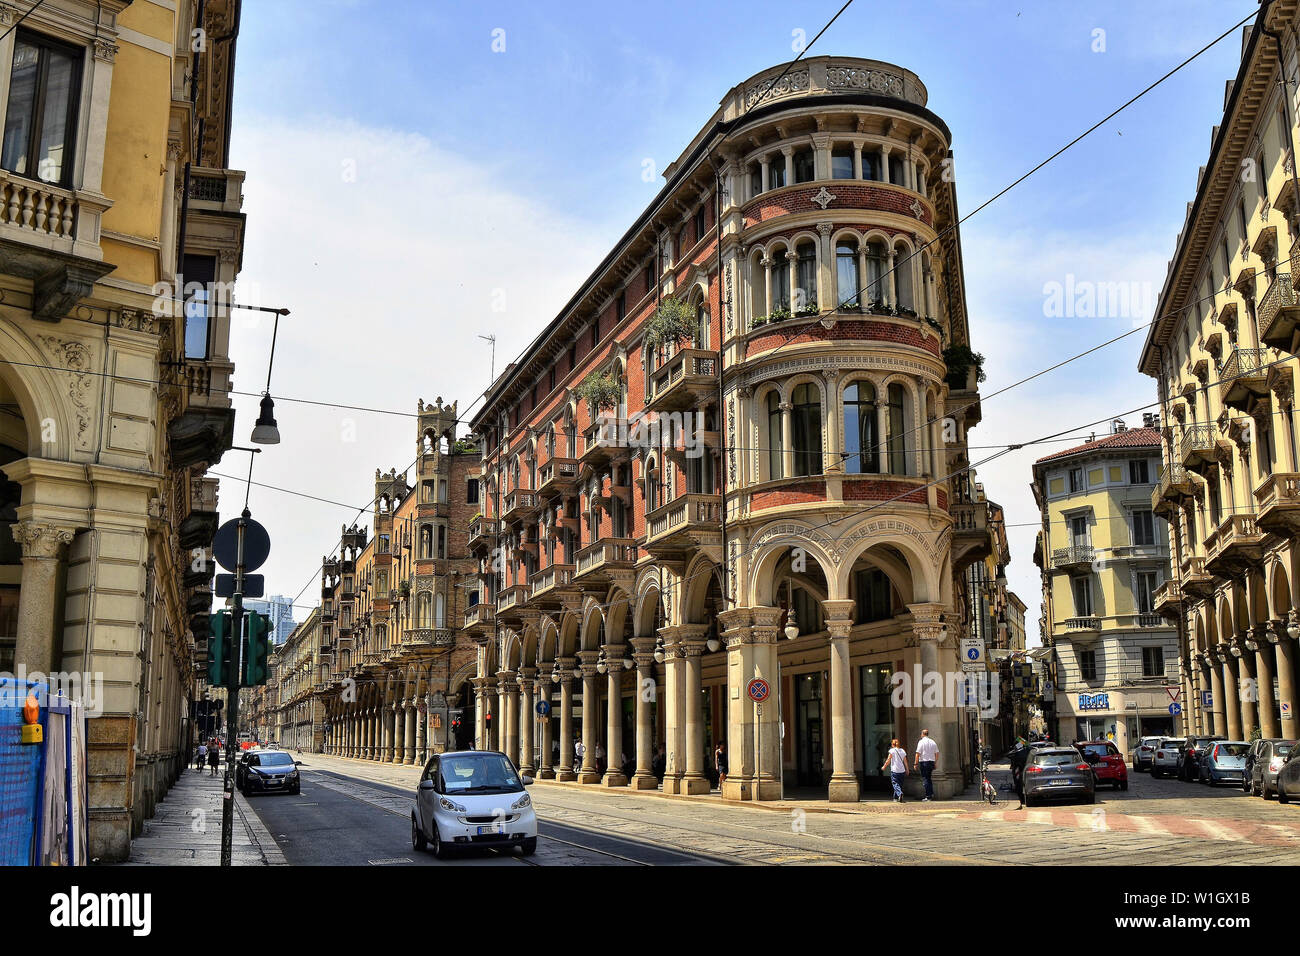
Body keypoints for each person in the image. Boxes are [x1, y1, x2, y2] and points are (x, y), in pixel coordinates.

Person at [913, 729, 939, 801]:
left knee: (925, 779)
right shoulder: (932, 742)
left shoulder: (921, 742)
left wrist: (915, 763)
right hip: (931, 762)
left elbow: (917, 753)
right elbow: (937, 753)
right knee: (929, 778)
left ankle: (928, 796)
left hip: (924, 762)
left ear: (922, 734)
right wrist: (935, 762)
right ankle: (931, 793)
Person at [882, 738, 908, 802]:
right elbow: (905, 761)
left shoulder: (892, 750)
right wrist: (907, 769)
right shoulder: (902, 751)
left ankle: (900, 793)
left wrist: (884, 766)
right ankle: (895, 798)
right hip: (902, 770)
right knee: (899, 785)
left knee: (895, 784)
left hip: (895, 770)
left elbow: (888, 760)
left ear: (892, 745)